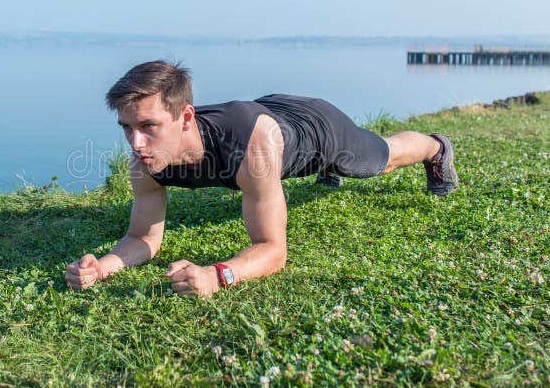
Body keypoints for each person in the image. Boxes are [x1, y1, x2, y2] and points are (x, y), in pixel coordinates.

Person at [65, 61, 458, 297]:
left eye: (148, 126)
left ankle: (436, 147)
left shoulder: (251, 144)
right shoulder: (146, 159)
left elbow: (273, 250)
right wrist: (103, 266)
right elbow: (143, 238)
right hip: (270, 111)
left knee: (380, 160)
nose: (135, 142)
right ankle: (326, 172)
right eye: (127, 127)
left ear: (185, 117)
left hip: (317, 129)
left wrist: (217, 276)